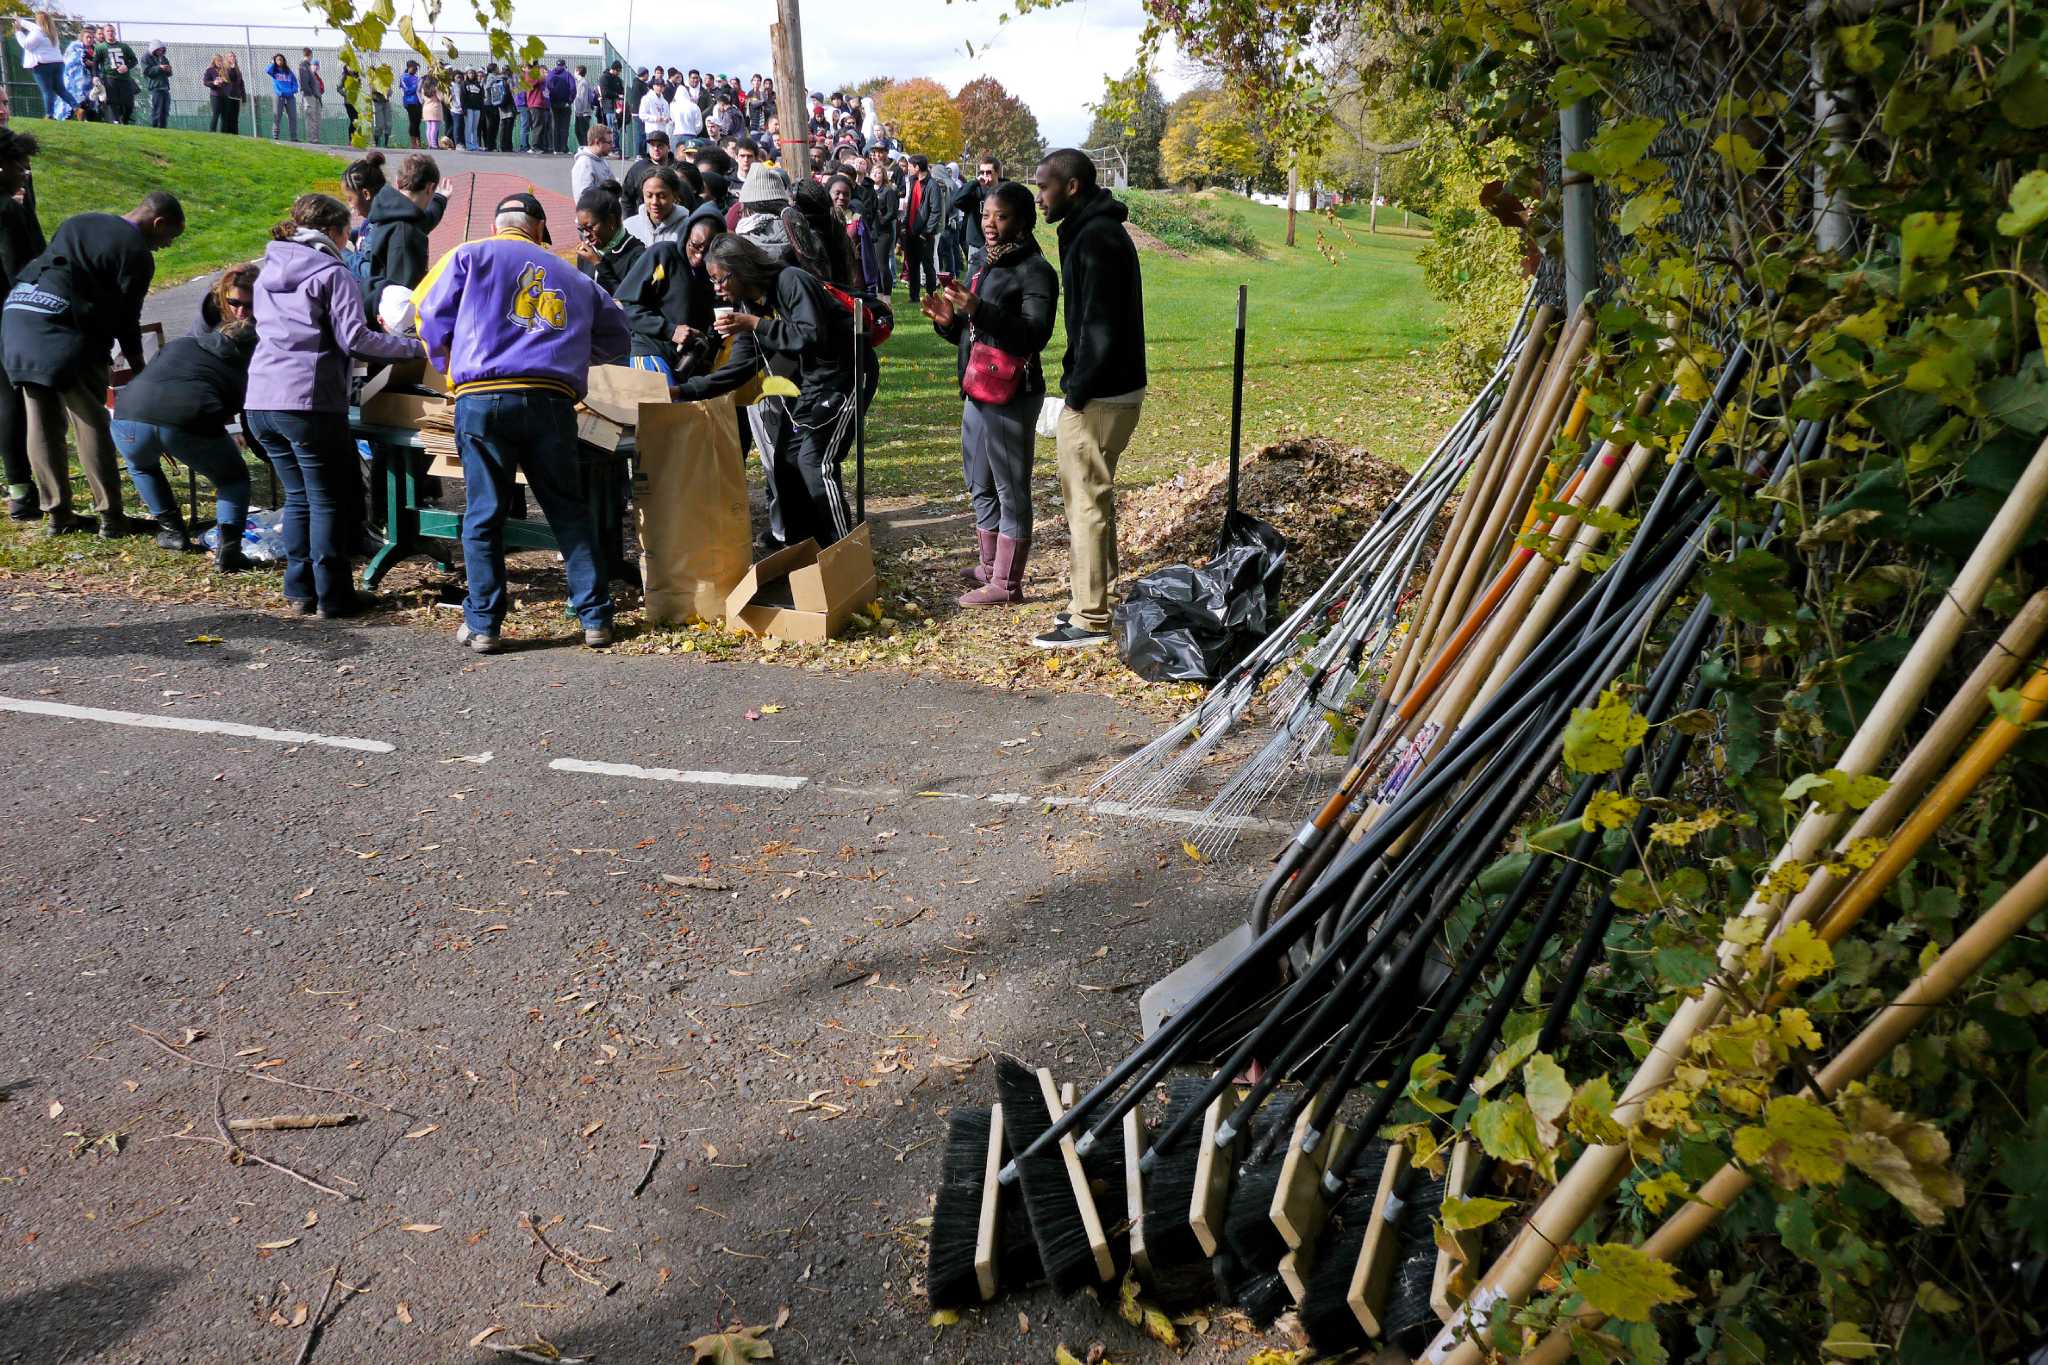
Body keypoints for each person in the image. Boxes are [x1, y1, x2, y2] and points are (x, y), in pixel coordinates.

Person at [412, 191, 630, 653]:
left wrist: (446, 358)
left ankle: (485, 623)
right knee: (568, 509)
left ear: (496, 226)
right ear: (538, 231)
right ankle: (596, 617)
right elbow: (618, 335)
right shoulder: (574, 274)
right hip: (551, 399)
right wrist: (570, 355)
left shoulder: (469, 255)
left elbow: (426, 314)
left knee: (484, 512)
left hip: (482, 397)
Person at [244, 193, 422, 617]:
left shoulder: (267, 269)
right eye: (348, 233)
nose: (350, 242)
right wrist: (412, 348)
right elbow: (355, 338)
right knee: (326, 500)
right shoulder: (332, 272)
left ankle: (300, 588)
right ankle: (334, 594)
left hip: (260, 398)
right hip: (306, 399)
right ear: (334, 231)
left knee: (300, 497)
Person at [4, 191, 183, 537]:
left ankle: (57, 515)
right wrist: (139, 369)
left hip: (20, 316)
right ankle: (111, 518)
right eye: (169, 237)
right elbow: (128, 319)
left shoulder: (80, 221)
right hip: (65, 329)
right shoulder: (135, 253)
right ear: (158, 222)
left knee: (40, 422)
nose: (167, 246)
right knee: (90, 421)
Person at [1031, 149, 1147, 649]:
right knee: (1091, 498)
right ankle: (1093, 599)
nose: (1039, 198)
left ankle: (1091, 617)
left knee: (1086, 503)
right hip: (1106, 387)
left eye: (1045, 188)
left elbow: (1100, 328)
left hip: (1102, 392)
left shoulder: (1097, 238)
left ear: (1072, 187)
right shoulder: (1089, 230)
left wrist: (1075, 393)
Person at [919, 180, 1055, 606]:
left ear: (1023, 221)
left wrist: (977, 308)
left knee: (1011, 487)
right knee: (979, 481)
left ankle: (1007, 584)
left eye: (1002, 216)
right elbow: (975, 332)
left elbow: (1034, 334)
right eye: (986, 216)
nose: (991, 224)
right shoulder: (984, 262)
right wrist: (949, 321)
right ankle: (989, 564)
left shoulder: (1035, 271)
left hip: (1014, 391)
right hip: (978, 387)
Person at [706, 234, 859, 550]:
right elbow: (741, 366)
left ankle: (845, 551)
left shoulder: (790, 281)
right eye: (713, 280)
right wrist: (688, 390)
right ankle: (802, 549)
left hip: (845, 373)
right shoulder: (750, 304)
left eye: (720, 279)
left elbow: (810, 335)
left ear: (741, 269)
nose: (717, 288)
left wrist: (754, 324)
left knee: (814, 461)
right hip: (813, 381)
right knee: (786, 461)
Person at [112, 315, 259, 564]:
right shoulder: (244, 372)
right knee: (233, 479)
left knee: (142, 467)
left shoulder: (181, 343)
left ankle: (172, 532)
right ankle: (229, 552)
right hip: (188, 418)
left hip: (128, 412)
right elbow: (232, 415)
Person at [615, 200, 725, 378]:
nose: (698, 257)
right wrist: (670, 330)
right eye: (694, 246)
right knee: (662, 406)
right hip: (651, 353)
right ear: (686, 234)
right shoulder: (662, 254)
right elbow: (623, 307)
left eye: (707, 252)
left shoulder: (713, 274)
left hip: (686, 365)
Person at [0, 128, 44, 522]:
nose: (25, 173)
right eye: (20, 165)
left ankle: (18, 488)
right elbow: (22, 268)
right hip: (9, 316)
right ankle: (24, 490)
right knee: (13, 403)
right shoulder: (5, 211)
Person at [364, 153, 444, 302]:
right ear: (430, 187)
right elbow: (402, 296)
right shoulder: (405, 232)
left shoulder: (389, 213)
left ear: (397, 182)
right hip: (395, 318)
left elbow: (425, 220)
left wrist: (441, 199)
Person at [574, 185, 642, 296]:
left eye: (590, 227)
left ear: (611, 220)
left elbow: (628, 301)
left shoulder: (636, 254)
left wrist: (598, 264)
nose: (586, 234)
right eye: (581, 229)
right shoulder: (586, 253)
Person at [899, 154, 943, 303]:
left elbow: (936, 211)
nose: (908, 168)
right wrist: (905, 226)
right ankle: (914, 296)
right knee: (912, 266)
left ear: (917, 167)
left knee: (927, 265)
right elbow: (910, 205)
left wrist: (927, 232)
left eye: (910, 165)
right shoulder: (913, 181)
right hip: (911, 232)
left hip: (924, 235)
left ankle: (931, 295)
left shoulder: (932, 185)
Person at [828, 175, 878, 293]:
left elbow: (867, 256)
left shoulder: (857, 221)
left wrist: (871, 285)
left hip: (854, 284)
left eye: (846, 194)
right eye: (837, 193)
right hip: (829, 284)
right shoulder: (823, 220)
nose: (841, 197)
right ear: (829, 194)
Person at [624, 166, 689, 248]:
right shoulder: (629, 227)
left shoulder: (687, 228)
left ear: (675, 196)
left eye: (662, 196)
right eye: (649, 196)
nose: (655, 202)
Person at [15, 17, 66, 120]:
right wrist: (20, 20)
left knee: (47, 91)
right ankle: (76, 107)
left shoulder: (37, 32)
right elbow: (32, 26)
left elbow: (26, 45)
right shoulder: (51, 32)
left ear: (39, 21)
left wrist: (18, 32)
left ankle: (49, 114)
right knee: (60, 89)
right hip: (58, 63)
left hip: (43, 64)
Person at [957, 156, 1000, 276]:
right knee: (973, 279)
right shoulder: (975, 191)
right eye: (982, 172)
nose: (985, 175)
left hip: (998, 244)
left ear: (997, 172)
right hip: (976, 244)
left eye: (988, 172)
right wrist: (975, 182)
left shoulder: (1004, 191)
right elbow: (957, 200)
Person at [866, 161, 899, 293]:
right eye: (874, 172)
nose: (876, 175)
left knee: (882, 264)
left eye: (879, 172)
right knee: (874, 264)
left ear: (883, 175)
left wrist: (882, 219)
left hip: (884, 233)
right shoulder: (869, 190)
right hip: (872, 231)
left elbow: (893, 212)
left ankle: (886, 291)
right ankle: (878, 290)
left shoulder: (888, 191)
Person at [622, 129, 674, 208]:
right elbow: (626, 197)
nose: (656, 149)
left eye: (660, 145)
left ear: (668, 147)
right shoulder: (638, 168)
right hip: (643, 216)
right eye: (652, 145)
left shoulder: (676, 167)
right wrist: (630, 218)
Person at [572, 122, 616, 204]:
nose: (612, 145)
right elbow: (584, 198)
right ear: (598, 142)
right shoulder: (584, 164)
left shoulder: (602, 160)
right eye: (609, 142)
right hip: (594, 214)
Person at [100, 30, 137, 125]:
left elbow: (134, 60)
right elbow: (96, 63)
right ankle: (115, 121)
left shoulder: (124, 46)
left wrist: (126, 66)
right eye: (108, 31)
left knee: (129, 104)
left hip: (124, 79)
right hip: (110, 78)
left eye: (112, 31)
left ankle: (124, 120)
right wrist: (96, 76)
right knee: (112, 102)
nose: (110, 33)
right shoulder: (100, 47)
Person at [266, 53, 299, 141]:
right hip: (279, 96)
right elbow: (267, 70)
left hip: (290, 97)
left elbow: (295, 83)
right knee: (277, 116)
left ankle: (294, 137)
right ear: (275, 61)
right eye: (277, 59)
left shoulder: (289, 72)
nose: (279, 61)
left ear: (284, 61)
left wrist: (293, 91)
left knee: (293, 116)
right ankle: (275, 136)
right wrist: (273, 63)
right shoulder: (274, 71)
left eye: (281, 59)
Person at [143, 41, 172, 128]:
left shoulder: (163, 58)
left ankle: (163, 128)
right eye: (159, 50)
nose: (161, 52)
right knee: (157, 110)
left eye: (162, 50)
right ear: (154, 49)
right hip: (156, 87)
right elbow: (147, 71)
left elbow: (169, 74)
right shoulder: (146, 57)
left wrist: (168, 70)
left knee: (165, 110)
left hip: (165, 87)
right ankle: (155, 128)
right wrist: (159, 67)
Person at [299, 49, 324, 143]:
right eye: (315, 64)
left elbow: (321, 88)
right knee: (311, 118)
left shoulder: (314, 73)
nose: (316, 67)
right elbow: (303, 82)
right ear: (310, 55)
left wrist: (317, 94)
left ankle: (316, 138)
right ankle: (312, 139)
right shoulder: (303, 66)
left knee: (316, 119)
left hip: (316, 97)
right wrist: (310, 92)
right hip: (309, 96)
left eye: (317, 65)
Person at [399, 60, 422, 148]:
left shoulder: (417, 78)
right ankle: (413, 143)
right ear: (409, 67)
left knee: (417, 121)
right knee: (412, 121)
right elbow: (407, 91)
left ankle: (418, 141)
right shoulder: (403, 77)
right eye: (414, 68)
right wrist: (416, 85)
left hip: (418, 102)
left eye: (417, 68)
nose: (416, 70)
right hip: (409, 102)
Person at [421, 77, 444, 149]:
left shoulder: (423, 89)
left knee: (428, 127)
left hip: (426, 108)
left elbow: (423, 98)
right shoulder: (436, 89)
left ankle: (430, 144)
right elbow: (441, 98)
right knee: (434, 127)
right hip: (435, 108)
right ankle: (434, 144)